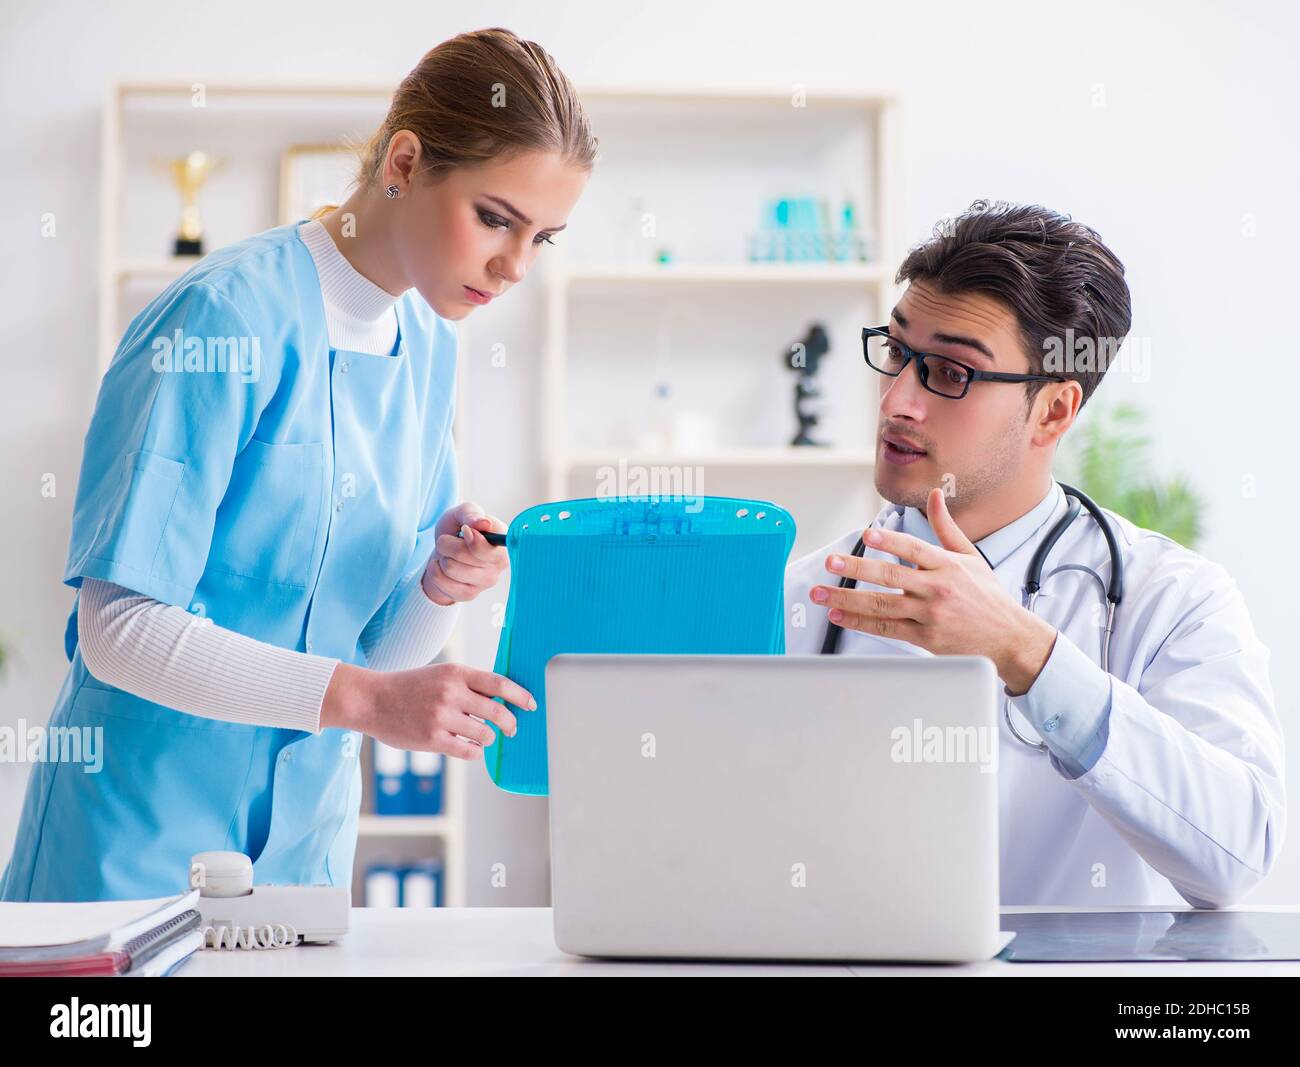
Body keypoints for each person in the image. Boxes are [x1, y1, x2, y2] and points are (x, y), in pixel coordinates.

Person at [1, 27, 594, 902]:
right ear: (403, 161)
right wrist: (365, 702)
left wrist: (440, 583)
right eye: (494, 218)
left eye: (543, 238)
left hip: (296, 868)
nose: (513, 266)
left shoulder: (428, 344)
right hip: (133, 851)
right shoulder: (220, 319)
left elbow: (376, 653)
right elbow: (117, 626)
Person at [785, 200, 1285, 908]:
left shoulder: (1171, 600)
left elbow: (1239, 850)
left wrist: (1028, 654)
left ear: (1053, 410)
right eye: (898, 352)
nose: (897, 401)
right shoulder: (802, 596)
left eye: (950, 372)